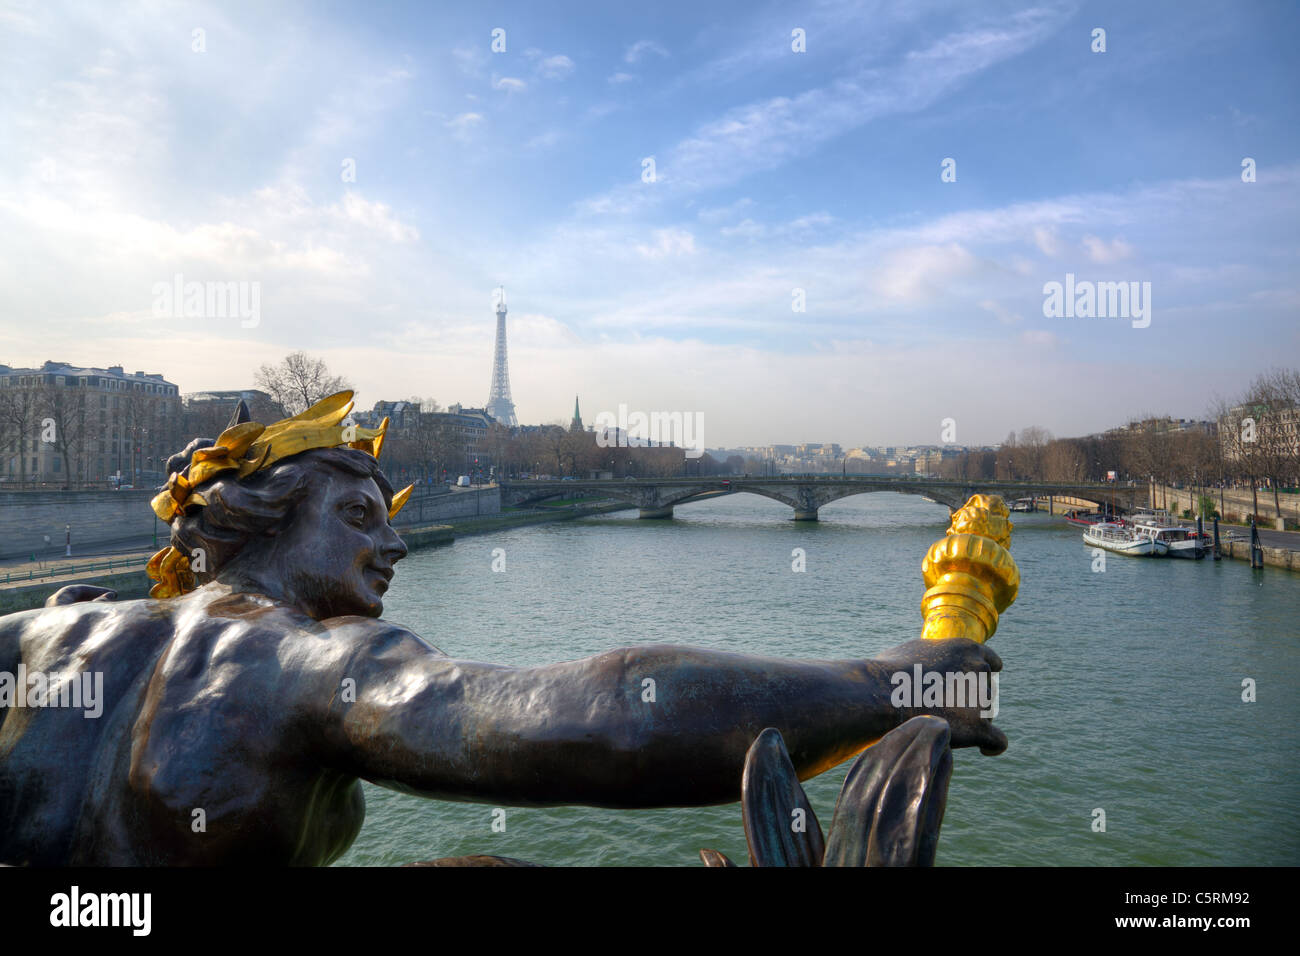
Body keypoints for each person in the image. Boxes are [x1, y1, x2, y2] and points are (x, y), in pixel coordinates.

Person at [0, 394, 1003, 866]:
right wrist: (893, 681)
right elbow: (601, 716)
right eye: (359, 516)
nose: (392, 542)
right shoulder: (299, 658)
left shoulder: (58, 637)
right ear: (262, 519)